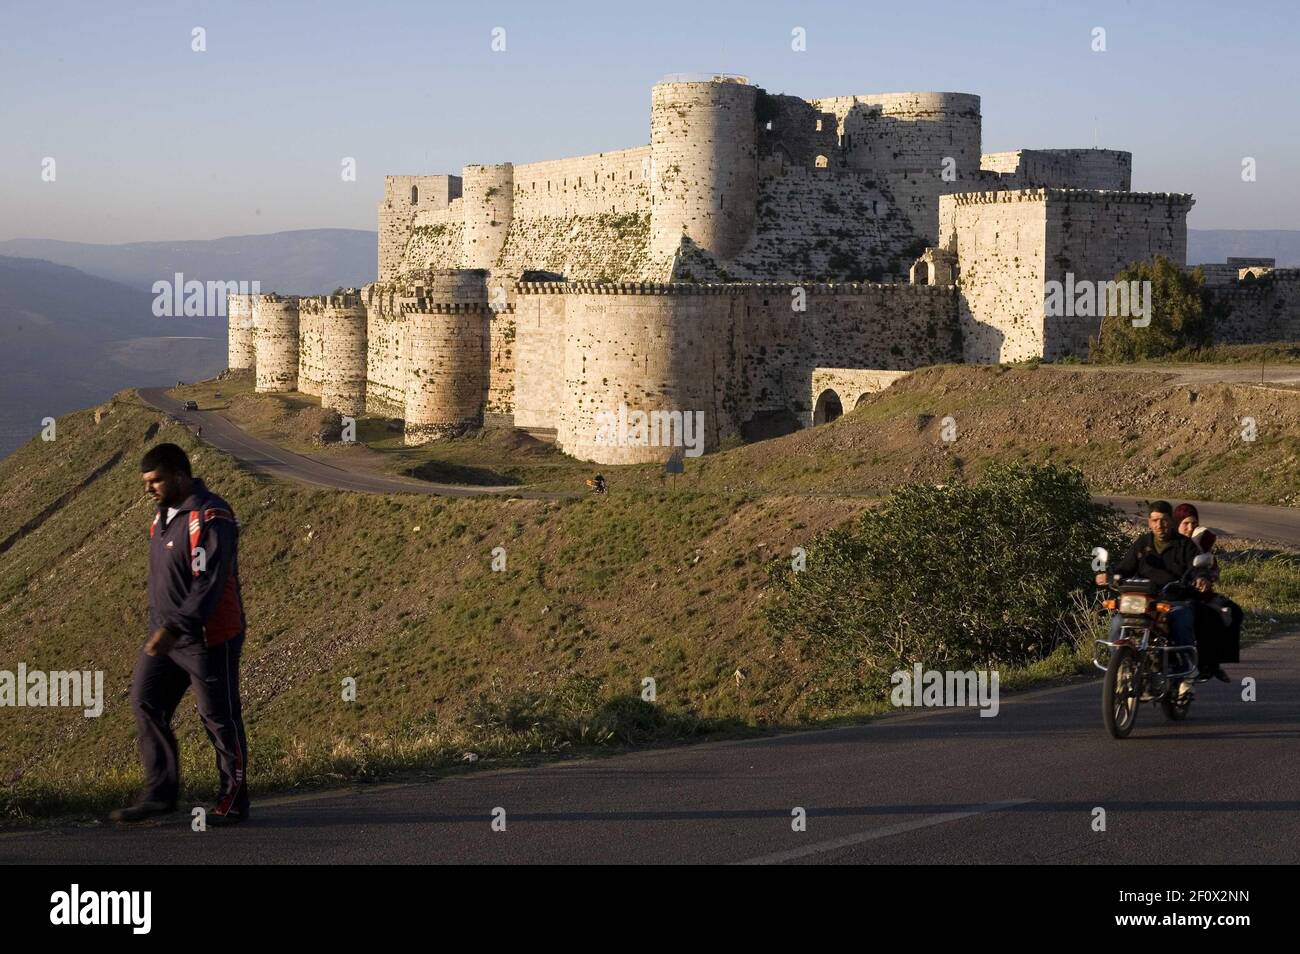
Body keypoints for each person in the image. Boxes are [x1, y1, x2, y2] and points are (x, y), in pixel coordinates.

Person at [111, 443, 250, 825]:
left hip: (208, 638)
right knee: (145, 700)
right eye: (146, 482)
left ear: (179, 474)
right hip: (165, 639)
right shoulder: (162, 519)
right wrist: (160, 627)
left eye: (155, 481)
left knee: (218, 717)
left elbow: (209, 582)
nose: (148, 489)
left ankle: (233, 799)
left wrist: (174, 627)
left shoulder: (210, 516)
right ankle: (160, 794)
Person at [1097, 501, 1200, 688]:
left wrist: (1200, 579)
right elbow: (1125, 568)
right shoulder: (1142, 543)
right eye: (1154, 520)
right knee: (1118, 621)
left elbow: (1197, 569)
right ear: (1149, 522)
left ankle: (1185, 674)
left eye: (1164, 520)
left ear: (1172, 521)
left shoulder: (1185, 545)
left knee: (1181, 620)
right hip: (1145, 600)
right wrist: (1111, 576)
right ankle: (1120, 667)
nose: (1159, 525)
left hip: (1173, 599)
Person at [1174, 502, 1242, 676]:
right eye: (1185, 524)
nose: (1190, 528)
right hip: (1176, 594)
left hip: (1200, 593)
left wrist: (1207, 579)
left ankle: (1214, 662)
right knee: (1205, 614)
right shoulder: (1172, 545)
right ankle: (1202, 662)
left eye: (1194, 524)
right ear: (1176, 524)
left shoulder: (1200, 544)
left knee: (1233, 611)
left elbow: (1212, 569)